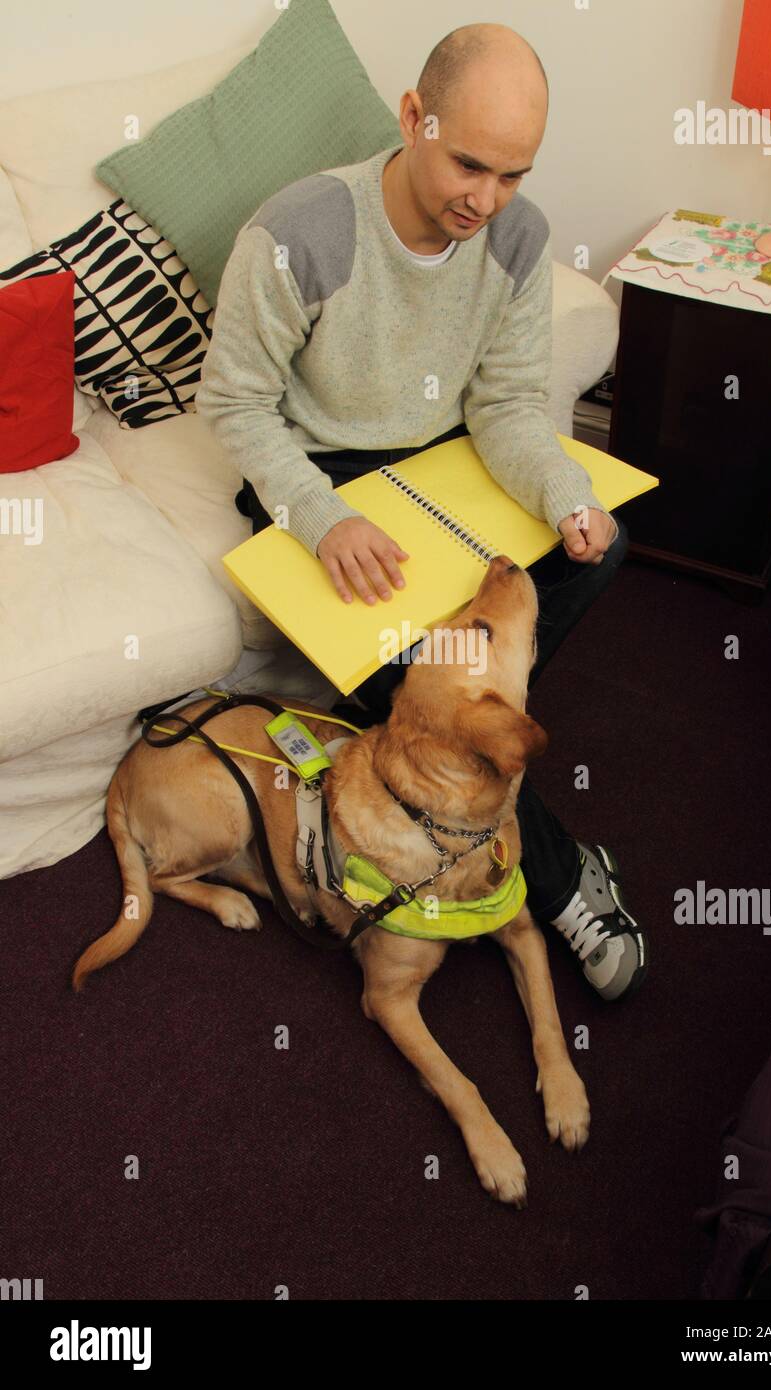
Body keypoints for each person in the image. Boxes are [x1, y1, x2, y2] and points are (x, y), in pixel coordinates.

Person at [198, 23, 646, 1001]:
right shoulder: (298, 231)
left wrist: (566, 495)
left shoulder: (515, 240)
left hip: (436, 466)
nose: (483, 201)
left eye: (511, 175)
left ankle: (445, 728)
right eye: (467, 163)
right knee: (406, 661)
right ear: (412, 117)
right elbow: (232, 403)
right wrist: (320, 517)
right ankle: (565, 879)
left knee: (598, 554)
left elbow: (505, 405)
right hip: (319, 467)